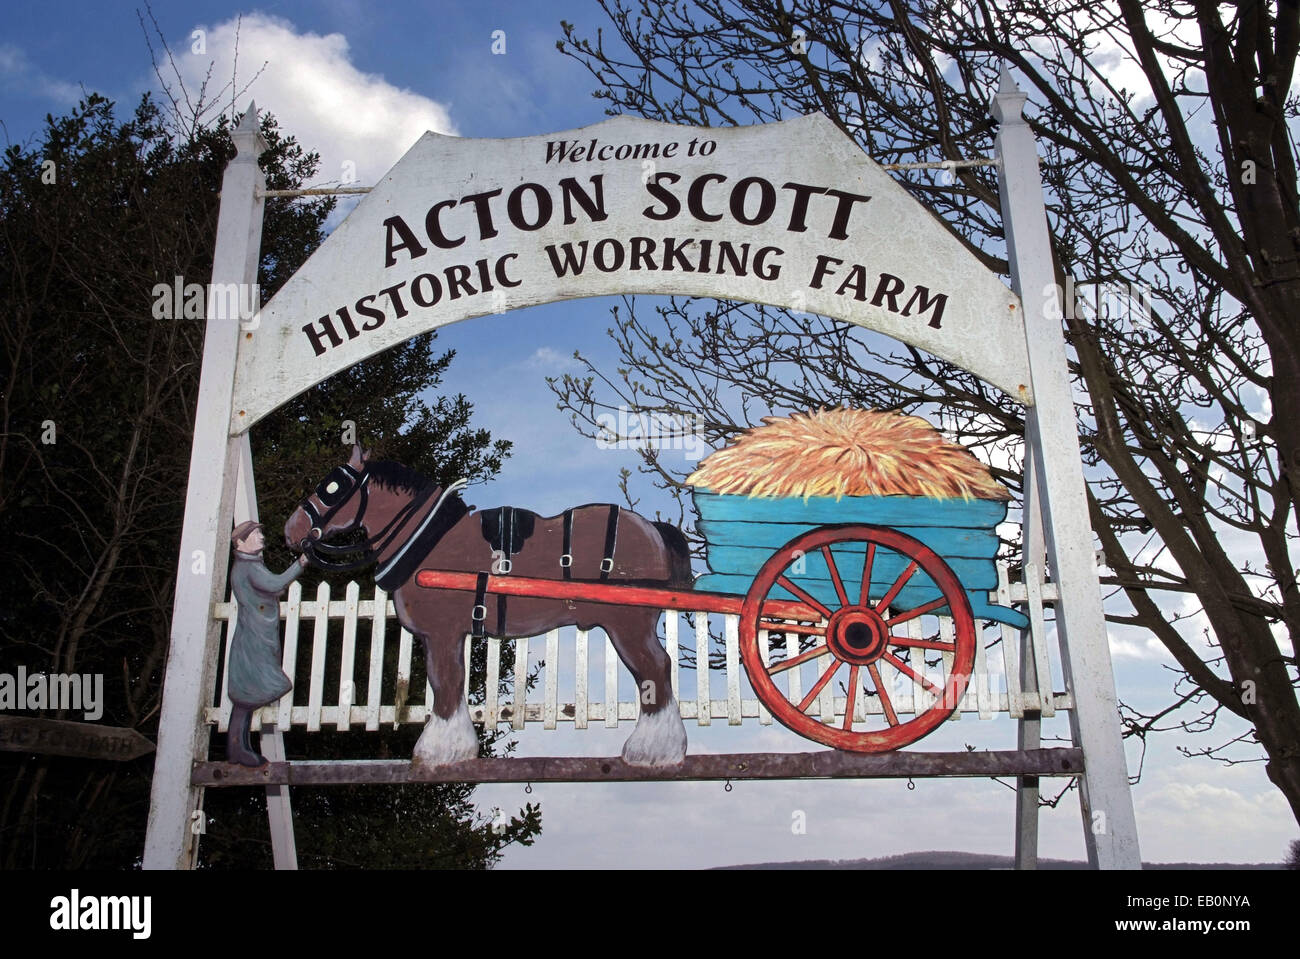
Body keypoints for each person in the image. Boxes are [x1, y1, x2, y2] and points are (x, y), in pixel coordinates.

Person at [226, 519, 308, 767]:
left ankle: (238, 748)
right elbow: (274, 584)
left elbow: (269, 589)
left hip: (256, 635)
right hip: (253, 639)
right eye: (255, 535)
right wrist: (301, 563)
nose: (261, 538)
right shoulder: (247, 568)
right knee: (251, 693)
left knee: (246, 699)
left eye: (261, 533)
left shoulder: (250, 566)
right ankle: (238, 749)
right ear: (241, 542)